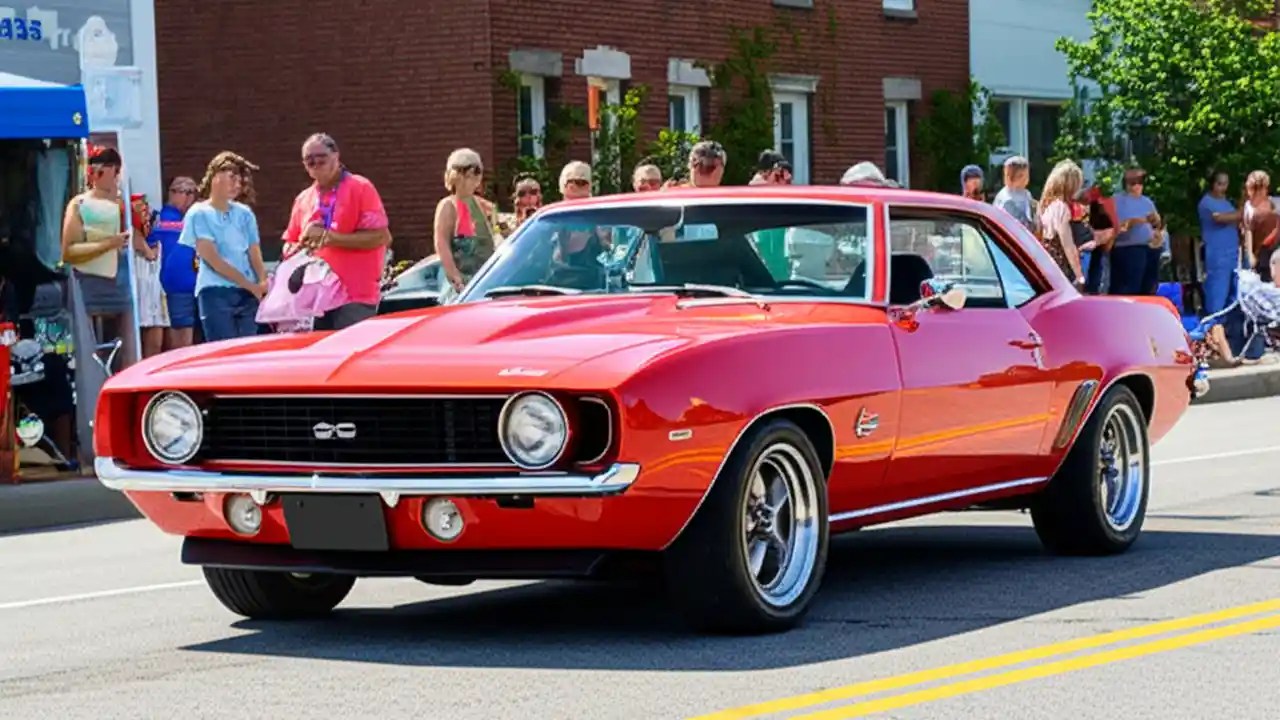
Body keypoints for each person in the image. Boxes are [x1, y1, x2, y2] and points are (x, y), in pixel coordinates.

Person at [282, 133, 392, 330]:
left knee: (351, 348)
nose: (315, 164)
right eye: (309, 160)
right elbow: (289, 244)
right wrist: (299, 246)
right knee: (319, 350)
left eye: (321, 158)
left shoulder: (360, 187)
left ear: (336, 156)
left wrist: (330, 238)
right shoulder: (303, 199)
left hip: (354, 294)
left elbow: (381, 237)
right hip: (314, 297)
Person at [59, 145, 134, 371]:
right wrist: (109, 243)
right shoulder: (79, 204)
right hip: (89, 283)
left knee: (125, 346)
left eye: (111, 170)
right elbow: (68, 251)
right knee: (90, 348)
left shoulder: (125, 204)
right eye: (97, 171)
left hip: (121, 283)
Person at [180, 151, 266, 342]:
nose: (237, 185)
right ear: (215, 175)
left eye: (240, 181)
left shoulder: (245, 214)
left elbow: (253, 250)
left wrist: (262, 281)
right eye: (232, 178)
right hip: (215, 292)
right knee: (224, 347)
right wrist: (249, 285)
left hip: (248, 294)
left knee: (249, 347)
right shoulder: (198, 213)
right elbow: (213, 260)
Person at [433, 148, 497, 301]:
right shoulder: (448, 205)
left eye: (477, 171)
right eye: (467, 172)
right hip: (460, 288)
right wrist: (455, 277)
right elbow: (441, 243)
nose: (473, 177)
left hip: (485, 285)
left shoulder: (486, 206)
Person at [154, 176, 199, 349]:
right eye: (184, 192)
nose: (189, 198)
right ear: (171, 193)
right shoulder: (163, 219)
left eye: (192, 193)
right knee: (182, 342)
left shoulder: (192, 218)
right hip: (178, 288)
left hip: (196, 287)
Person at [1110, 167, 1161, 295]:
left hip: (1149, 248)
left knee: (1148, 286)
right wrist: (1137, 221)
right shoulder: (1117, 201)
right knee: (1130, 287)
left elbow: (1156, 225)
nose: (1137, 185)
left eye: (1140, 181)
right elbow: (1118, 226)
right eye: (1133, 182)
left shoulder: (1147, 202)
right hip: (1127, 248)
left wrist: (1156, 222)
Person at [1036, 160, 1087, 285]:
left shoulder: (1045, 206)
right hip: (1060, 268)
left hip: (1047, 265)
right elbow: (1068, 245)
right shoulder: (1061, 208)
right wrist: (1079, 276)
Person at [992, 156, 1036, 233]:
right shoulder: (1006, 199)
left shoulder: (1026, 193)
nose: (1025, 179)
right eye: (1021, 176)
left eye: (1027, 175)